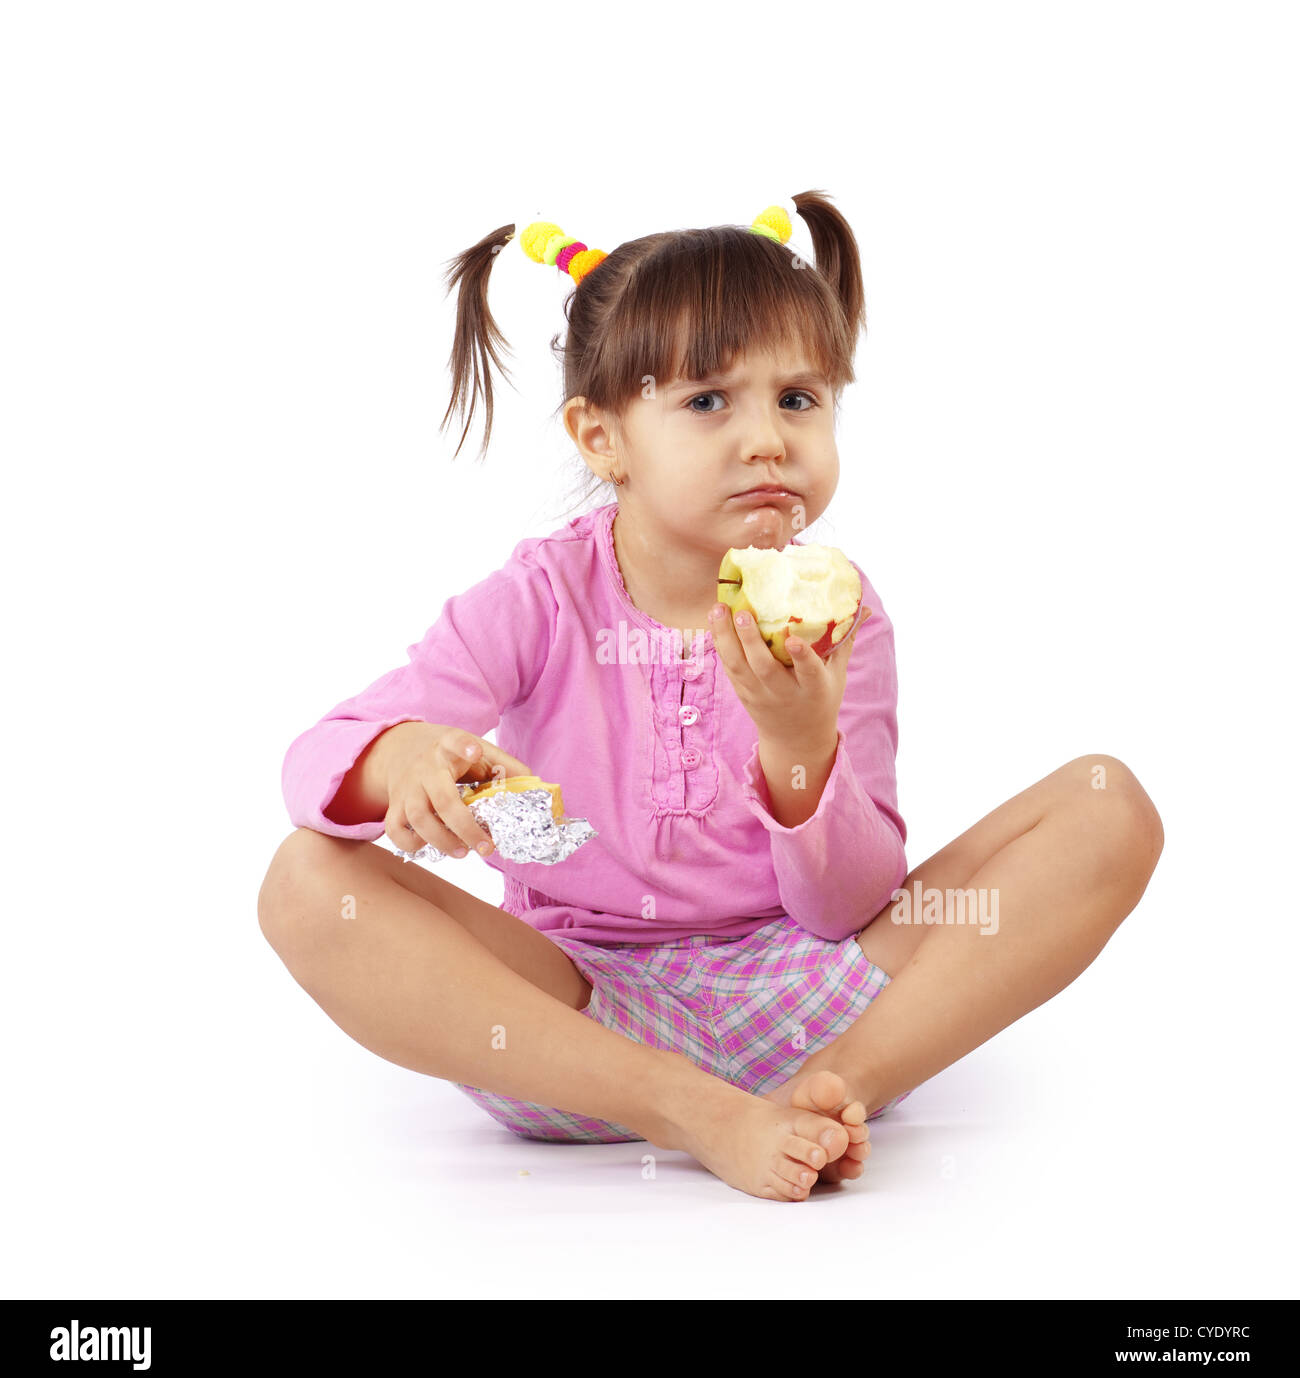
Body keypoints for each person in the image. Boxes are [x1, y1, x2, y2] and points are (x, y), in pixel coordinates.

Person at [257, 191, 1164, 1203]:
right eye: (706, 402)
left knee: (1105, 803)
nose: (768, 438)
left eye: (797, 399)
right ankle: (697, 1112)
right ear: (601, 438)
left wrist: (800, 746)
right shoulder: (537, 598)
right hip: (579, 1020)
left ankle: (830, 1099)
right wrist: (407, 755)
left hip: (818, 1000)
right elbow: (314, 760)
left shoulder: (838, 609)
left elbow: (849, 905)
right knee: (306, 883)